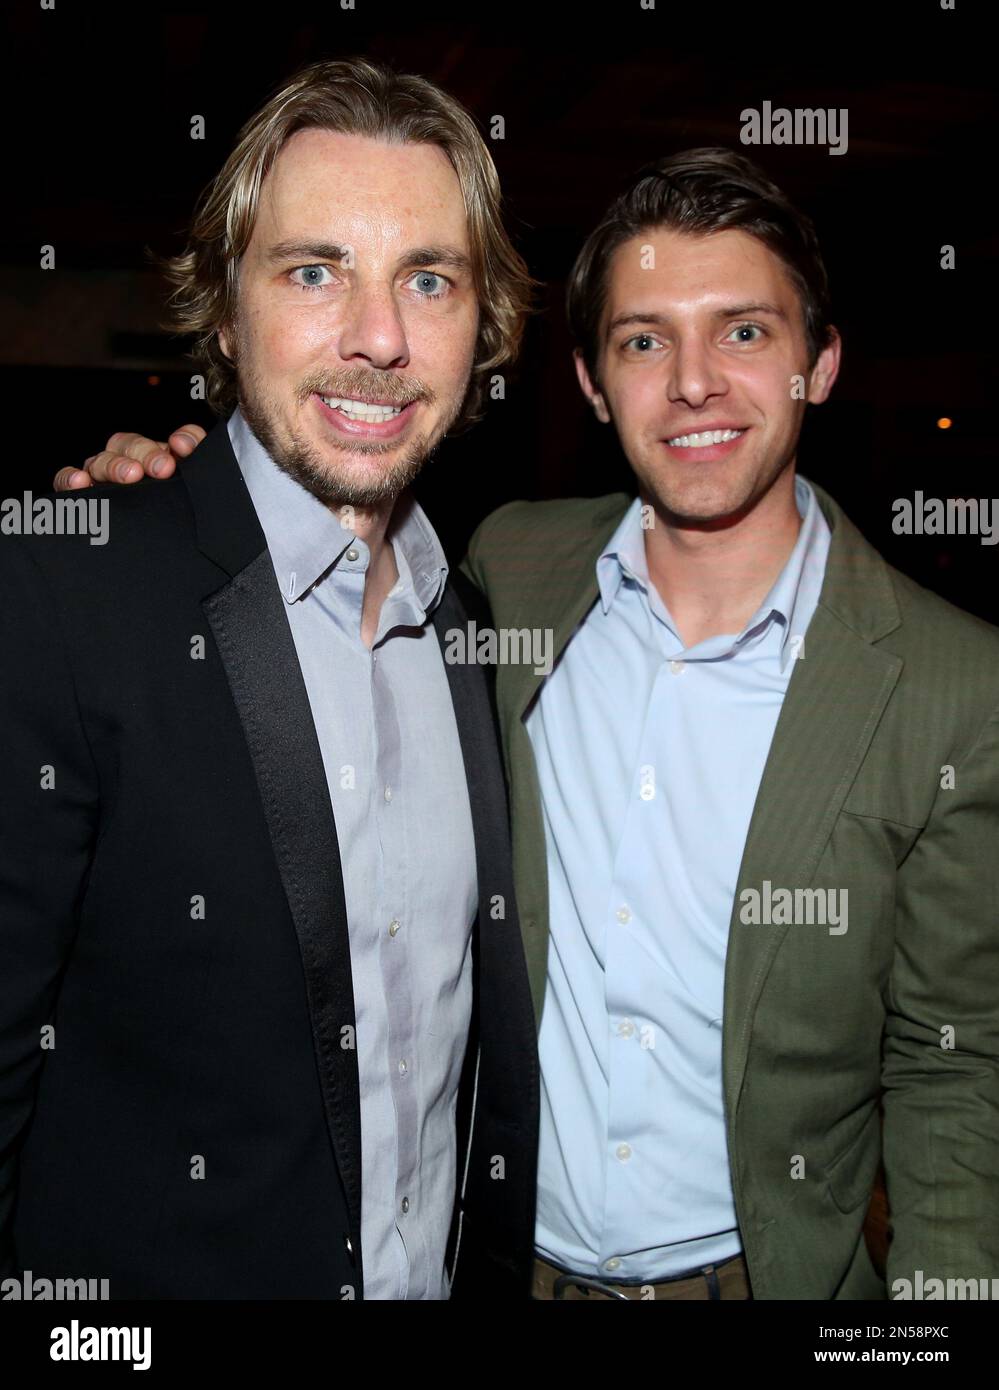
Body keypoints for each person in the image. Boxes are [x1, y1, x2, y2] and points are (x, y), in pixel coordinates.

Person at [62, 149, 999, 1301]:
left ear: (823, 361)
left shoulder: (952, 680)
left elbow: (957, 1066)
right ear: (594, 383)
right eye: (645, 340)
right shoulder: (509, 570)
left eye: (745, 333)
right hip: (498, 1272)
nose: (695, 382)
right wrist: (159, 496)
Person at [1, 56, 540, 1301]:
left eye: (428, 277)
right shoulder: (63, 590)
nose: (379, 337)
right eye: (315, 270)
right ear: (226, 311)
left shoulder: (470, 624)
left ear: (485, 324)